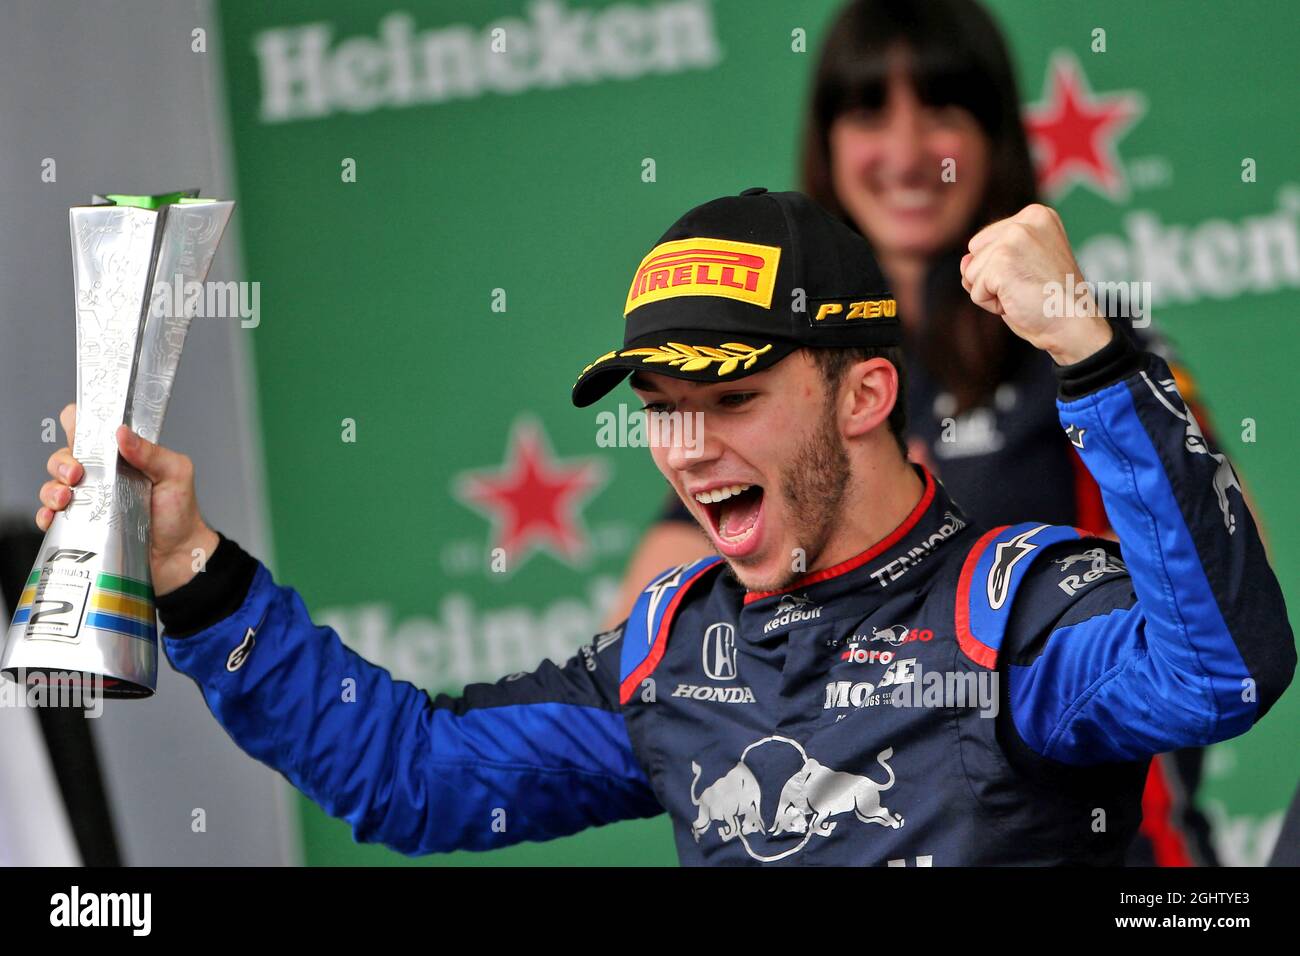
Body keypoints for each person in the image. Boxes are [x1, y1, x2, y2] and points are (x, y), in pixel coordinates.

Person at [33, 188, 1294, 865]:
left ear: (865, 392)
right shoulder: (671, 648)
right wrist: (194, 570)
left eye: (732, 398)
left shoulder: (1011, 606)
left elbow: (1222, 667)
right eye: (661, 409)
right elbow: (415, 777)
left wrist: (1087, 349)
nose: (686, 449)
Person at [608, 0, 1228, 866]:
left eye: (941, 109)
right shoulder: (784, 378)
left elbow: (1228, 592)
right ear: (825, 142)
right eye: (869, 113)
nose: (906, 152)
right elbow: (654, 644)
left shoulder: (1079, 338)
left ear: (997, 135)